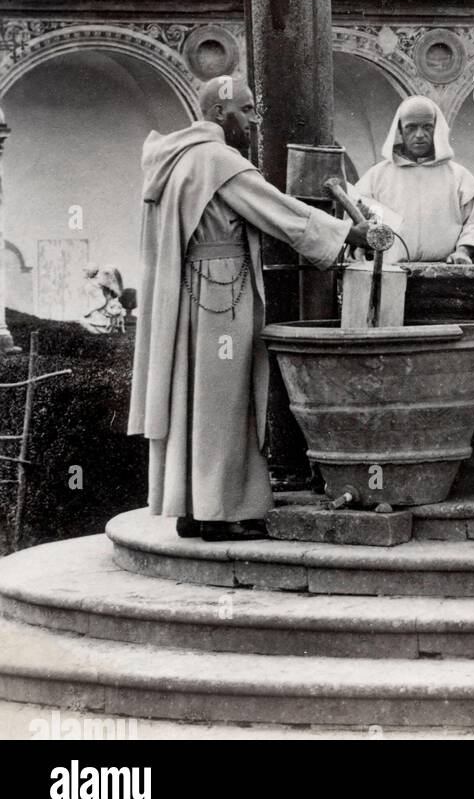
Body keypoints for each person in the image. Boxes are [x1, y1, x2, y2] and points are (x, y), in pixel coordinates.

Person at [128, 76, 369, 542]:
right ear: (222, 114)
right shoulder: (218, 160)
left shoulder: (176, 158)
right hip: (221, 294)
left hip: (189, 297)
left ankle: (194, 508)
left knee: (195, 400)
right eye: (248, 110)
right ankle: (221, 515)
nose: (256, 122)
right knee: (227, 403)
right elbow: (279, 212)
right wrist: (347, 235)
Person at [350, 95, 474, 264]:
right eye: (411, 127)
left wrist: (463, 252)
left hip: (445, 274)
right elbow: (357, 226)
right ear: (400, 130)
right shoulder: (375, 177)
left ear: (436, 128)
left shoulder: (459, 177)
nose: (419, 135)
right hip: (390, 272)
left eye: (427, 127)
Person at [83, 266, 127, 335]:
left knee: (110, 315)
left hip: (108, 309)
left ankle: (109, 327)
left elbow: (108, 299)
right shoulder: (98, 287)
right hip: (104, 310)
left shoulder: (109, 291)